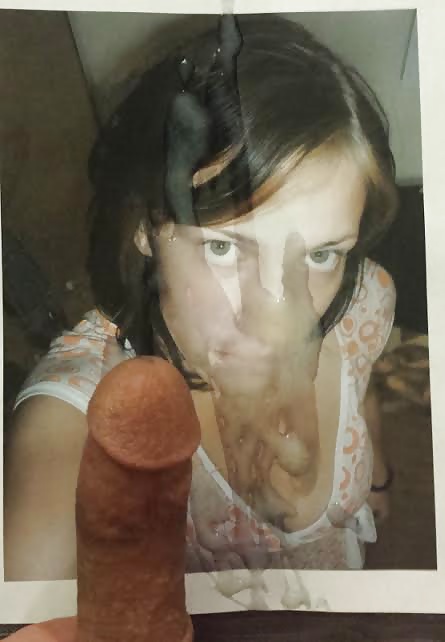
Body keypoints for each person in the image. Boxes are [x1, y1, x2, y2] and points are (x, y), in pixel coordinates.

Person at [4, 14, 397, 581]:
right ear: (145, 226)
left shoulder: (363, 300)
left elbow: (362, 380)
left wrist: (375, 477)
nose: (277, 319)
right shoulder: (85, 420)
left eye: (319, 255)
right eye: (224, 247)